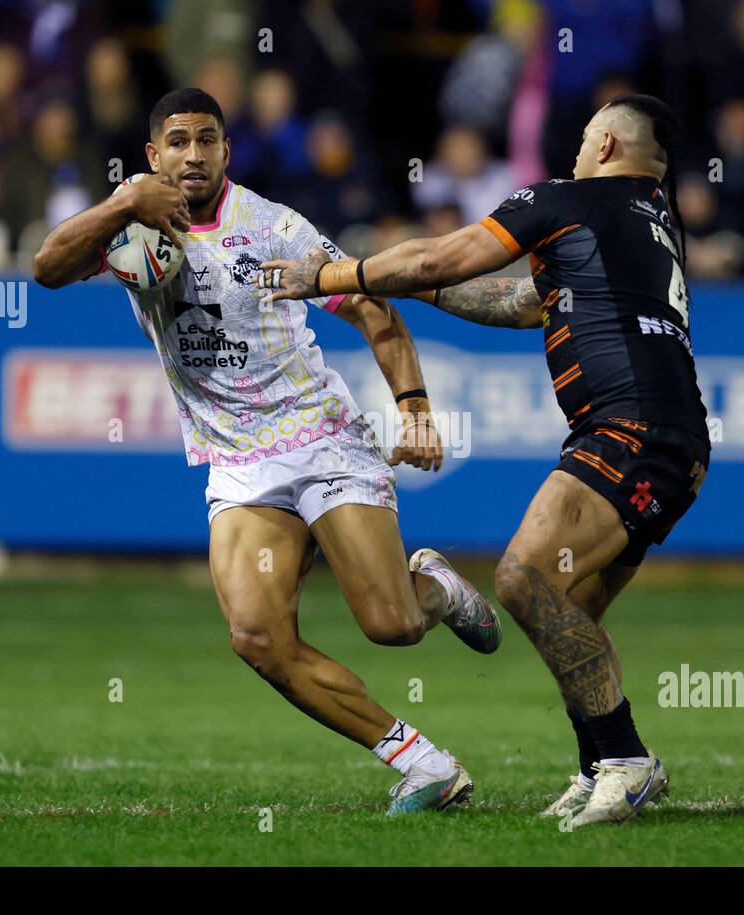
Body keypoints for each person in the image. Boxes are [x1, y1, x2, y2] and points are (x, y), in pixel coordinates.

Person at [33, 88, 502, 816]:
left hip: (321, 438)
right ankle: (424, 764)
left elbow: (372, 303)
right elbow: (46, 267)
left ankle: (435, 588)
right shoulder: (130, 232)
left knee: (393, 627)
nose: (194, 155)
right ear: (153, 156)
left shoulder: (273, 227)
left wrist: (412, 407)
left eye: (208, 141)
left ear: (226, 150)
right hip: (239, 463)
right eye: (178, 142)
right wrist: (122, 204)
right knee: (257, 637)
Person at [260, 94, 710, 827]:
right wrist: (421, 285)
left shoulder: (567, 198)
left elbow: (440, 252)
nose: (574, 144)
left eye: (585, 129)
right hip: (674, 441)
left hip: (629, 430)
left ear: (604, 146)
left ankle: (627, 762)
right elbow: (522, 301)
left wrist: (330, 277)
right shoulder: (650, 219)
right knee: (576, 605)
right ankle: (600, 763)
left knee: (523, 577)